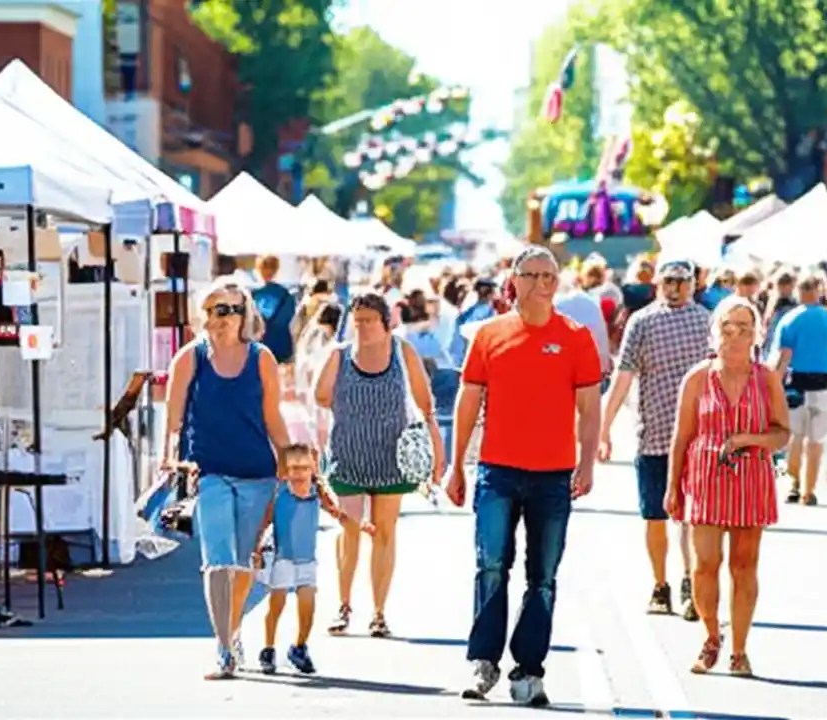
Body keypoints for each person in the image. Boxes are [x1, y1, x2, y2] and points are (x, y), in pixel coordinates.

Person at [447, 245, 602, 707]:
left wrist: (588, 459)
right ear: (513, 281)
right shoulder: (490, 334)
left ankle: (529, 669)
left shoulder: (575, 337)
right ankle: (483, 662)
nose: (541, 284)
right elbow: (468, 400)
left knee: (543, 576)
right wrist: (457, 464)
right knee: (491, 566)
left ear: (558, 282)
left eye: (549, 276)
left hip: (553, 474)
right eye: (531, 275)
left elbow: (590, 408)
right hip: (498, 470)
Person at [163, 277, 292, 679]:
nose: (230, 317)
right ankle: (223, 649)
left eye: (238, 309)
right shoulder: (190, 358)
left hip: (257, 472)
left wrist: (292, 461)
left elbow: (273, 416)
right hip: (211, 471)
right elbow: (173, 420)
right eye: (222, 309)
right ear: (206, 313)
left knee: (244, 565)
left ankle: (233, 628)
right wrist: (168, 460)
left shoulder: (262, 358)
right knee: (218, 562)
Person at [667, 297, 788, 676]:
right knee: (704, 565)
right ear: (714, 332)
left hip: (751, 475)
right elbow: (682, 436)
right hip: (705, 475)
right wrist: (673, 487)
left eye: (744, 329)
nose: (735, 337)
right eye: (728, 328)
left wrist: (749, 439)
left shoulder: (765, 377)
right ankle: (709, 637)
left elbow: (782, 433)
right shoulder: (698, 378)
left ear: (756, 335)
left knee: (744, 564)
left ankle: (739, 648)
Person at [313, 292, 445, 639]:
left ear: (387, 323)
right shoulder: (340, 356)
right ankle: (343, 606)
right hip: (348, 455)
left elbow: (424, 400)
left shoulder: (402, 353)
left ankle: (379, 612)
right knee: (351, 527)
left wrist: (436, 444)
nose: (364, 328)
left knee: (385, 531)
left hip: (392, 456)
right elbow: (320, 396)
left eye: (370, 321)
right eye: (358, 323)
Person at [599, 258, 710, 620]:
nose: (676, 288)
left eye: (682, 281)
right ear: (657, 284)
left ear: (694, 284)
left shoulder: (707, 322)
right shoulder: (643, 321)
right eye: (669, 281)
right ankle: (660, 584)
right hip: (655, 434)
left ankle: (690, 582)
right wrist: (604, 429)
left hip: (698, 435)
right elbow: (623, 376)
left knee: (692, 516)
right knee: (655, 516)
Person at [254, 443, 375, 675]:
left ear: (313, 469)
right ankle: (268, 648)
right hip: (283, 559)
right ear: (285, 471)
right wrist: (256, 548)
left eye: (303, 468)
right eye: (293, 469)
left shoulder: (317, 495)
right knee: (276, 605)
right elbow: (265, 522)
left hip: (307, 561)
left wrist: (361, 524)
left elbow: (340, 514)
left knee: (308, 606)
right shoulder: (280, 494)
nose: (298, 474)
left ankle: (299, 646)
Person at [770, 274, 827, 505]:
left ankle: (794, 484)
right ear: (818, 292)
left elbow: (784, 357)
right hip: (823, 384)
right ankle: (809, 489)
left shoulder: (790, 320)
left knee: (796, 436)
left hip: (796, 384)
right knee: (816, 439)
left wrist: (774, 383)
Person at [251, 255, 297, 365]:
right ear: (276, 270)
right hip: (282, 346)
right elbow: (289, 320)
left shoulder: (253, 295)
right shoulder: (286, 295)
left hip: (259, 346)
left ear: (259, 269)